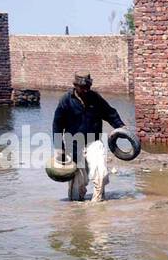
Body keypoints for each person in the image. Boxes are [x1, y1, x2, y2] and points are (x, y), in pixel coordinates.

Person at [52, 73, 125, 201]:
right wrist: (59, 148)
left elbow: (109, 113)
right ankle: (76, 211)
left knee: (100, 174)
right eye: (82, 87)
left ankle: (98, 204)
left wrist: (121, 127)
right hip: (74, 144)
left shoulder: (95, 98)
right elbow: (57, 125)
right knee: (77, 183)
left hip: (94, 141)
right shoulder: (66, 100)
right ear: (75, 86)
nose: (85, 90)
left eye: (88, 86)